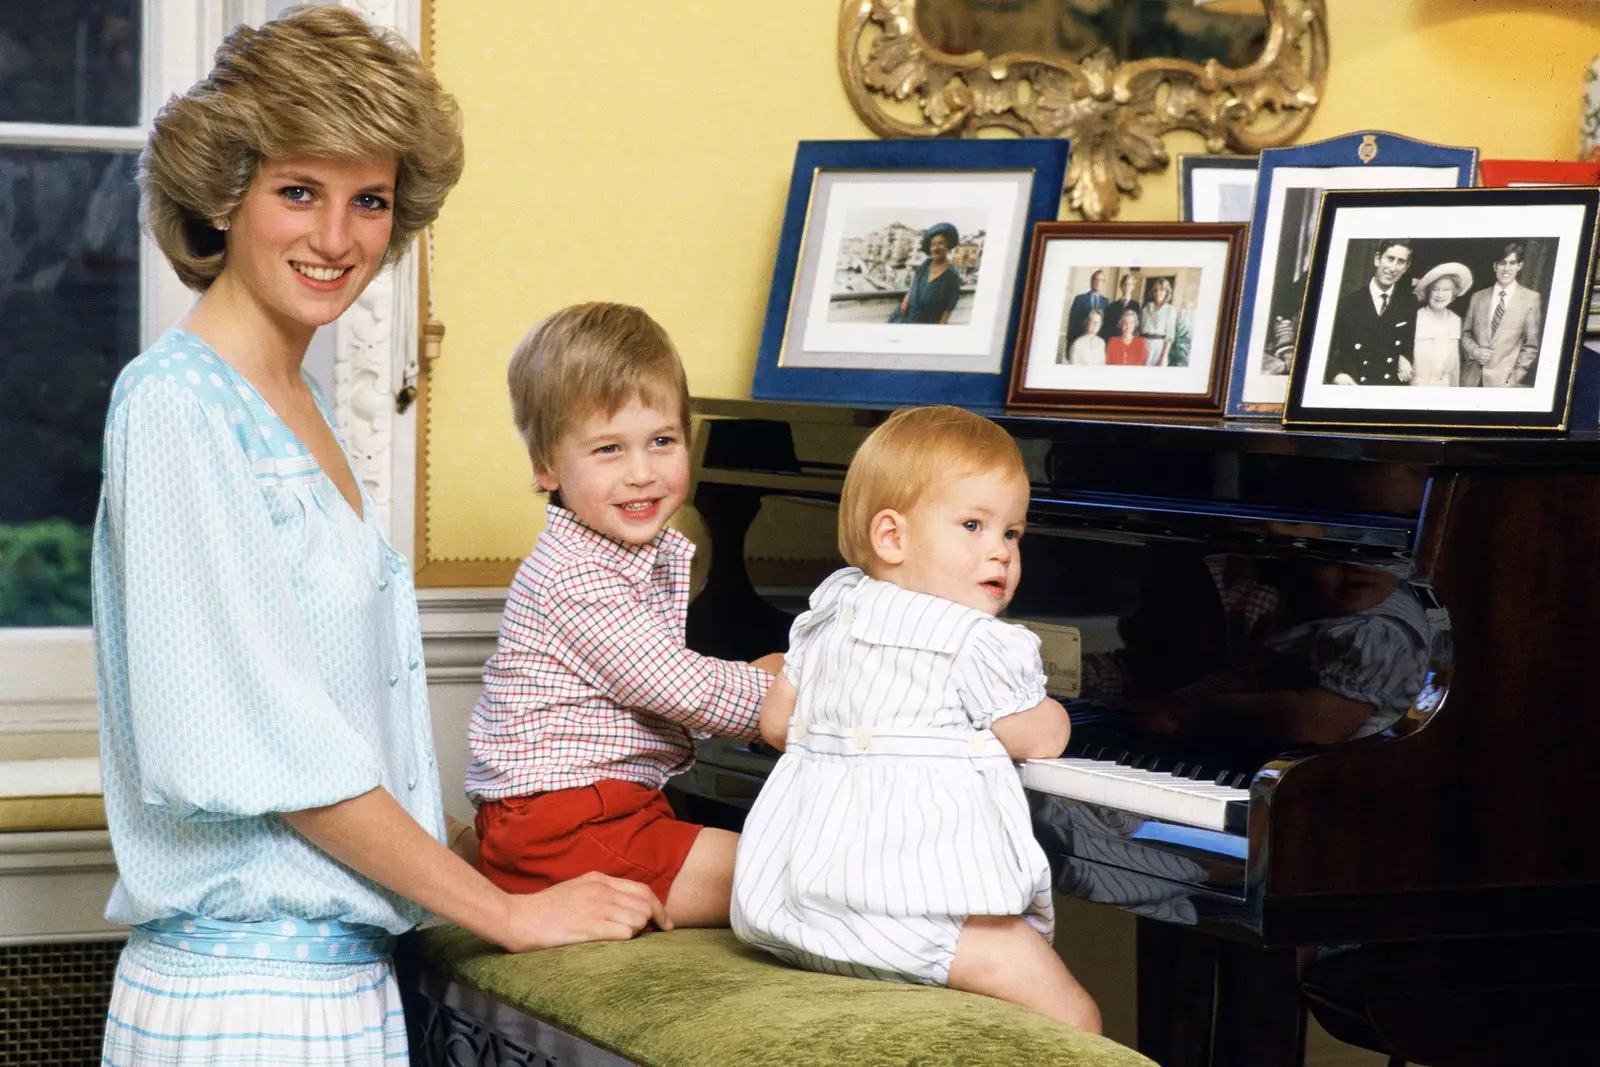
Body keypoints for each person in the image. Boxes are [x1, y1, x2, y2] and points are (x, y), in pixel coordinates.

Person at [95, 10, 670, 1066]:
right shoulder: (176, 405)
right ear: (225, 192)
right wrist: (504, 909)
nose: (338, 238)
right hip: (245, 1000)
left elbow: (341, 708)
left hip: (339, 982)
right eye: (298, 191)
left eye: (370, 200)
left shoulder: (292, 399)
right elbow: (273, 751)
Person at [731, 406, 1101, 1032]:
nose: (1000, 552)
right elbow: (1040, 739)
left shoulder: (830, 611)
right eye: (973, 525)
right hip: (919, 919)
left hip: (795, 907)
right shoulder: (977, 642)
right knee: (1076, 1018)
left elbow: (774, 723)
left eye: (1012, 533)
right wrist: (1058, 710)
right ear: (892, 537)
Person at [466, 302, 783, 929]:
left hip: (604, 812)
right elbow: (674, 685)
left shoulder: (620, 554)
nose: (643, 473)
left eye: (662, 441)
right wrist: (777, 694)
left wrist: (759, 682)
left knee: (789, 867)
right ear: (546, 466)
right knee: (792, 876)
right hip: (563, 826)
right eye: (609, 448)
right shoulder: (575, 575)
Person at [1324, 239, 1415, 386]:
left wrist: (1405, 356)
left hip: (1389, 388)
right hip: (1354, 385)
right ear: (1377, 259)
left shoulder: (1408, 303)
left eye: (1401, 262)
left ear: (1406, 267)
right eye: (1390, 259)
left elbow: (1410, 340)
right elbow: (1324, 349)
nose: (1393, 268)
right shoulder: (1347, 304)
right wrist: (1336, 375)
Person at [1460, 241, 1542, 387]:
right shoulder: (1478, 297)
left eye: (1512, 263)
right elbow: (1465, 334)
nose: (1506, 268)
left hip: (1503, 383)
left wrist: (1513, 379)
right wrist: (1475, 351)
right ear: (1494, 266)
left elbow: (1531, 346)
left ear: (1520, 266)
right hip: (1471, 379)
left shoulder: (1531, 299)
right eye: (1502, 263)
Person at [1409, 262, 1472, 387]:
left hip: (1443, 386)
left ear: (1454, 294)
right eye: (1435, 289)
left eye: (1446, 290)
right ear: (1428, 292)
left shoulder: (1455, 320)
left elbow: (1455, 364)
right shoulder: (1416, 317)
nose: (1440, 295)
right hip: (1417, 385)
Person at [891, 221, 963, 324]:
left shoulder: (952, 275)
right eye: (933, 245)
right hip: (905, 316)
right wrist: (905, 301)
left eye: (941, 243)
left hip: (926, 321)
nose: (936, 248)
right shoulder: (925, 264)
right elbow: (914, 284)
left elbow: (948, 308)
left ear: (948, 245)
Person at [1138, 277, 1178, 365]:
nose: (1158, 292)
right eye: (1155, 290)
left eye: (1161, 290)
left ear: (1167, 292)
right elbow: (1140, 329)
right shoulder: (1146, 308)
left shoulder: (1170, 310)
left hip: (1159, 346)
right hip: (1143, 344)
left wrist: (1164, 355)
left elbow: (1170, 336)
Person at [1064, 268, 1108, 346]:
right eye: (1096, 279)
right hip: (1079, 341)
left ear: (1103, 283)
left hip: (1096, 343)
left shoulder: (1106, 302)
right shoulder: (1080, 299)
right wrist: (1070, 343)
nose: (1098, 282)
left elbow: (1105, 326)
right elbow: (1072, 323)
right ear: (1092, 281)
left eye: (1101, 280)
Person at [1101, 271, 1141, 340]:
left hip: (1129, 341)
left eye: (1130, 284)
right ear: (1121, 286)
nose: (1127, 287)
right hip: (1114, 340)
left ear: (1133, 287)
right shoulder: (1112, 306)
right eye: (1125, 284)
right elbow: (1106, 327)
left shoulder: (1136, 306)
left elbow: (1137, 327)